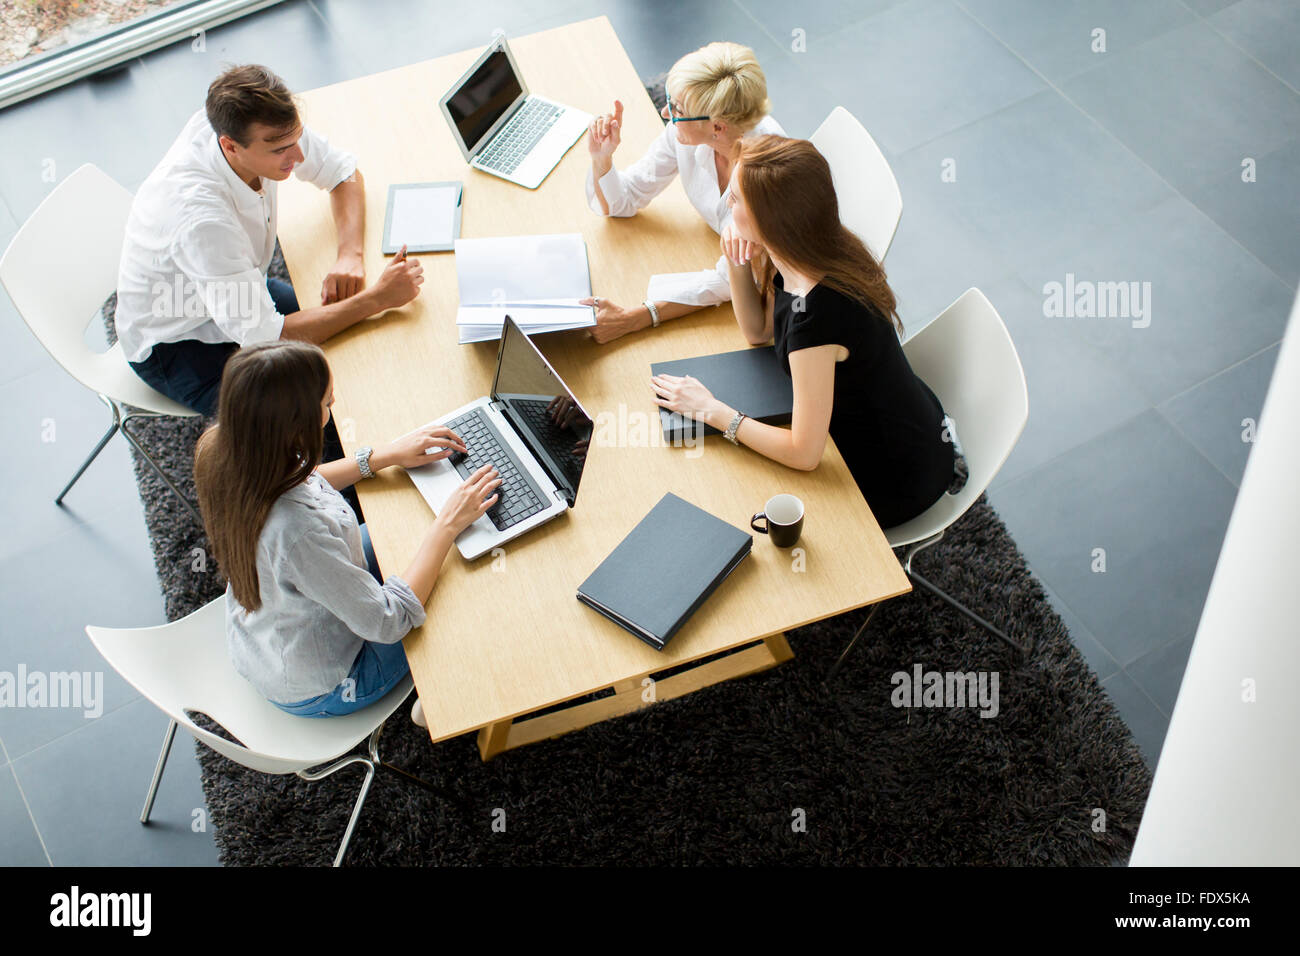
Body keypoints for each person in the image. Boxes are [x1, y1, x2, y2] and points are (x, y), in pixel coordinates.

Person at [649, 137, 956, 529]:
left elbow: (804, 453)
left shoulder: (817, 316)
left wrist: (712, 411)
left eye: (738, 199)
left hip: (892, 474)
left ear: (770, 219)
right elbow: (758, 331)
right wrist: (738, 261)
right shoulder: (810, 249)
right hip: (905, 419)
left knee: (729, 493)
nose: (728, 204)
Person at [194, 341, 502, 719]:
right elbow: (388, 621)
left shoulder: (227, 446)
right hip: (331, 684)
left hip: (269, 636)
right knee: (461, 583)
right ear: (295, 423)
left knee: (412, 530)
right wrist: (449, 524)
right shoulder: (297, 531)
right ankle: (445, 691)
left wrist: (383, 456)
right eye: (326, 403)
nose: (333, 403)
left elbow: (300, 479)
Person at [116, 64, 424, 419]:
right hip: (178, 340)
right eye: (281, 150)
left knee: (352, 346)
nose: (298, 157)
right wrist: (379, 299)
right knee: (299, 425)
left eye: (297, 139)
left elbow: (343, 172)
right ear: (229, 146)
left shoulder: (262, 127)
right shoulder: (201, 220)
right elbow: (267, 339)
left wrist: (350, 256)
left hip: (238, 286)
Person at [579, 41, 785, 343]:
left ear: (717, 127)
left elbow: (732, 282)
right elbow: (625, 198)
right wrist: (602, 158)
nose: (665, 113)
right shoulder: (686, 135)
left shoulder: (767, 181)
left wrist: (638, 316)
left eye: (676, 109)